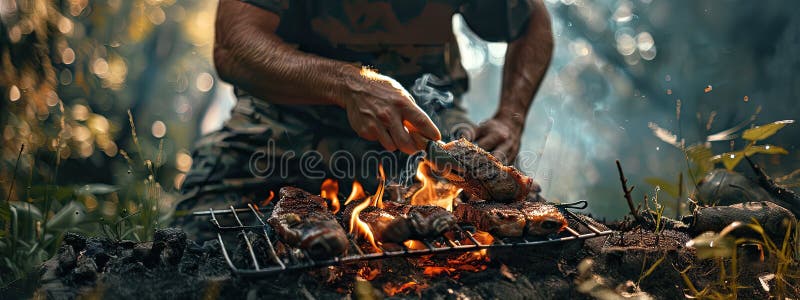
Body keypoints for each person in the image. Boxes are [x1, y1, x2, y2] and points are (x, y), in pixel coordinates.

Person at [172, 0, 553, 239]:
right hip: (283, 118)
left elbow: (533, 18)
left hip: (424, 124)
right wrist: (348, 85)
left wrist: (510, 117)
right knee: (196, 239)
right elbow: (233, 45)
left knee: (516, 220)